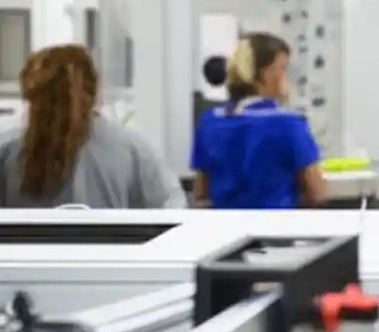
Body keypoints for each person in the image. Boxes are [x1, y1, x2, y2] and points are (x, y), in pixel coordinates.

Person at [0, 45, 183, 208]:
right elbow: (173, 211)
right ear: (94, 91)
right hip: (116, 247)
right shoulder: (133, 150)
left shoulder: (7, 148)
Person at [190, 33, 326, 208]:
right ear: (266, 74)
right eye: (284, 68)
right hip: (276, 229)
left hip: (224, 229)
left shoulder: (210, 122)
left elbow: (201, 191)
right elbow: (317, 192)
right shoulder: (288, 125)